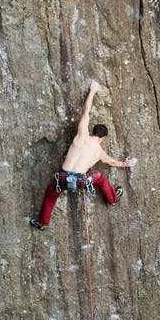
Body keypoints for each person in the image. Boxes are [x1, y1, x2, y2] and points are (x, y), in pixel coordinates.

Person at [31, 81, 137, 229]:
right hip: (81, 181)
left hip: (62, 177)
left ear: (92, 131)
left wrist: (93, 90)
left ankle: (42, 223)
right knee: (99, 178)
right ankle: (112, 199)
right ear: (103, 138)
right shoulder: (99, 152)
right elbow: (112, 162)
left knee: (51, 193)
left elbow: (86, 110)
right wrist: (125, 164)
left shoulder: (81, 134)